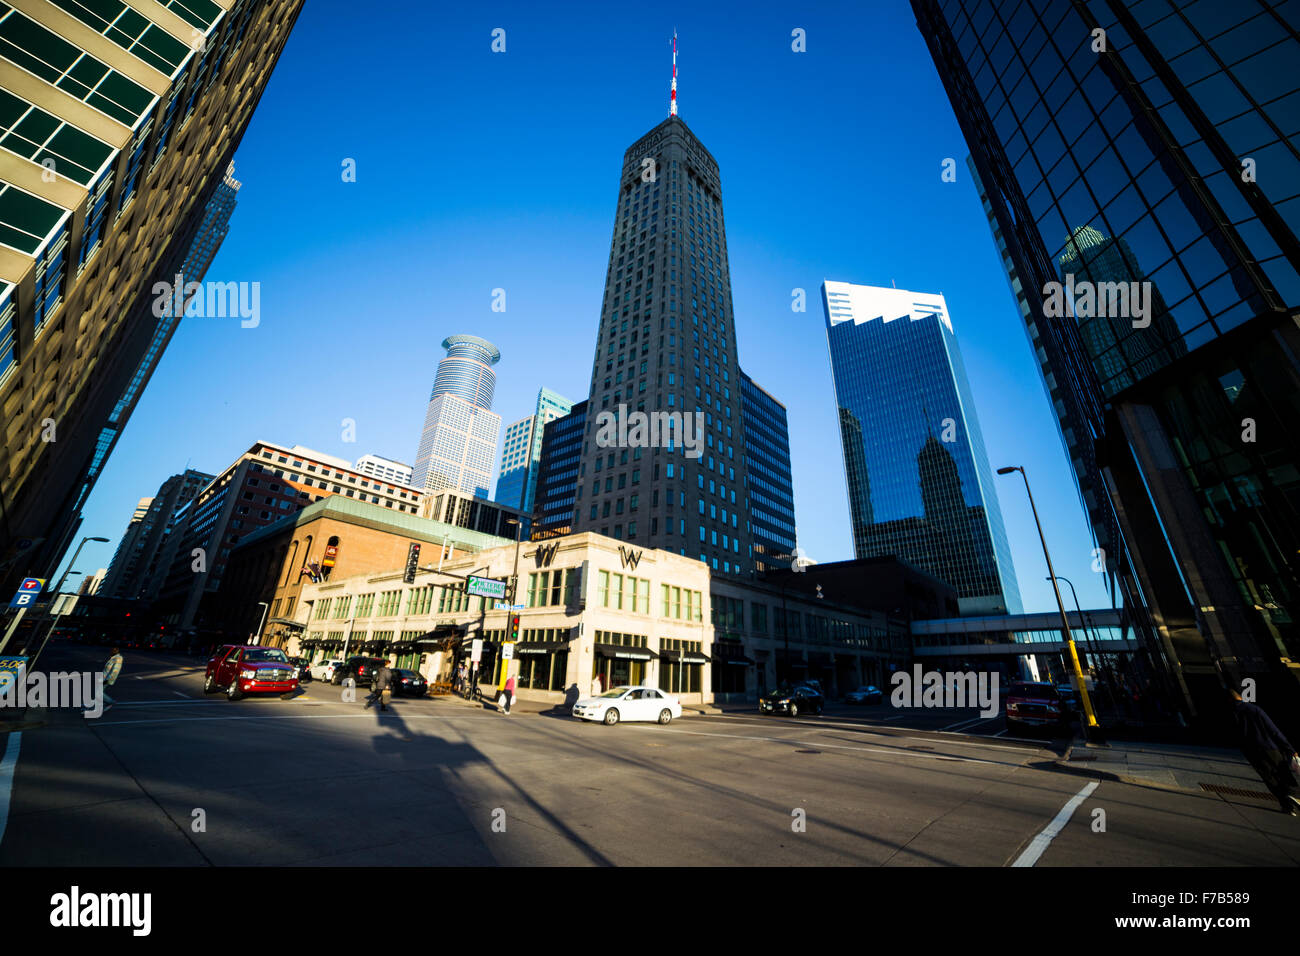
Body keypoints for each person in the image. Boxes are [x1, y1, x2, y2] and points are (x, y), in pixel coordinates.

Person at [1229, 685, 1300, 815]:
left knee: (1269, 778)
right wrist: (1289, 748)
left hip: (1251, 751)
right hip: (1268, 746)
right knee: (1282, 771)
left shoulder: (1232, 713)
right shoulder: (1254, 709)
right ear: (1240, 696)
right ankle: (1294, 795)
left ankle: (1286, 806)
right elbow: (1273, 730)